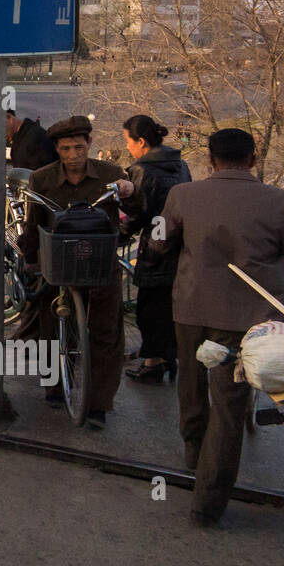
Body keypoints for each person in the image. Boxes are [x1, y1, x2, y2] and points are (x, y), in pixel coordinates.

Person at [153, 128, 284, 527]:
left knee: (191, 388)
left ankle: (194, 456)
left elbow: (159, 242)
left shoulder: (182, 196)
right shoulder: (282, 202)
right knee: (229, 407)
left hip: (192, 309)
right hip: (251, 320)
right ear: (253, 158)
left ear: (211, 159)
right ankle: (207, 503)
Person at [18, 116, 142, 429]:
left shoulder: (110, 174)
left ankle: (99, 404)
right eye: (65, 149)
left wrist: (130, 190)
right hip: (58, 264)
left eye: (78, 146)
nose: (73, 155)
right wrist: (30, 258)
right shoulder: (42, 179)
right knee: (51, 326)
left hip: (100, 265)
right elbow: (34, 223)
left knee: (104, 334)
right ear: (56, 150)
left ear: (89, 143)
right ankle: (55, 386)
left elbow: (139, 208)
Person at [119, 115, 191, 383]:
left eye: (128, 141)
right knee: (169, 308)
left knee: (148, 309)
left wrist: (120, 233)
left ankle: (151, 364)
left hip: (156, 248)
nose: (127, 147)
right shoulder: (180, 165)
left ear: (141, 141)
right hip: (181, 245)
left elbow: (139, 213)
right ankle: (167, 359)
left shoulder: (143, 170)